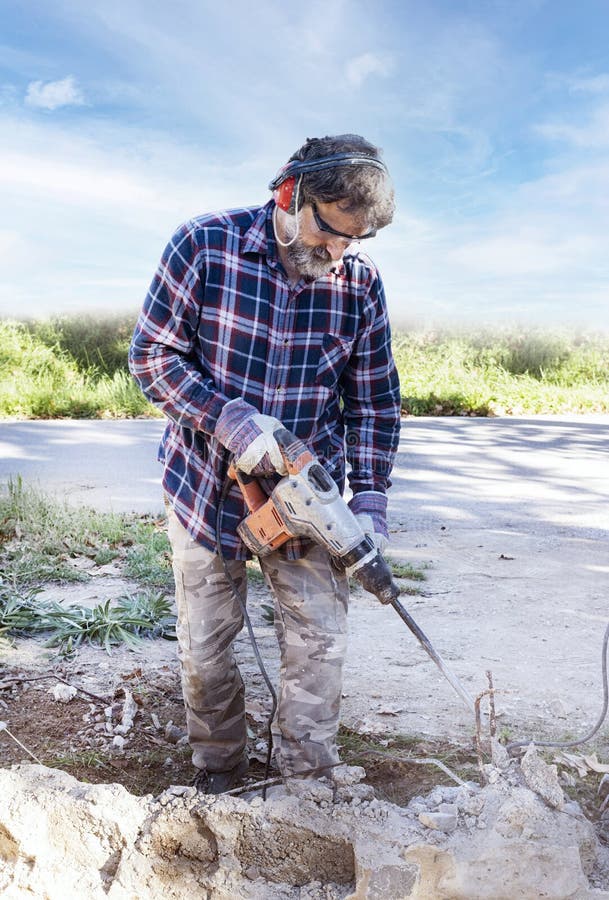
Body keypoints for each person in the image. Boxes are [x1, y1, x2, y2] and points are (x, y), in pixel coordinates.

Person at [129, 133, 401, 793]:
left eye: (354, 240)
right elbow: (152, 356)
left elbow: (374, 404)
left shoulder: (359, 285)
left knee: (319, 645)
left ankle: (307, 786)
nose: (337, 253)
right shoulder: (203, 245)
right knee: (206, 648)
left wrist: (368, 502)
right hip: (204, 486)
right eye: (328, 231)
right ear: (288, 194)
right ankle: (220, 774)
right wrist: (226, 417)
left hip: (305, 498)